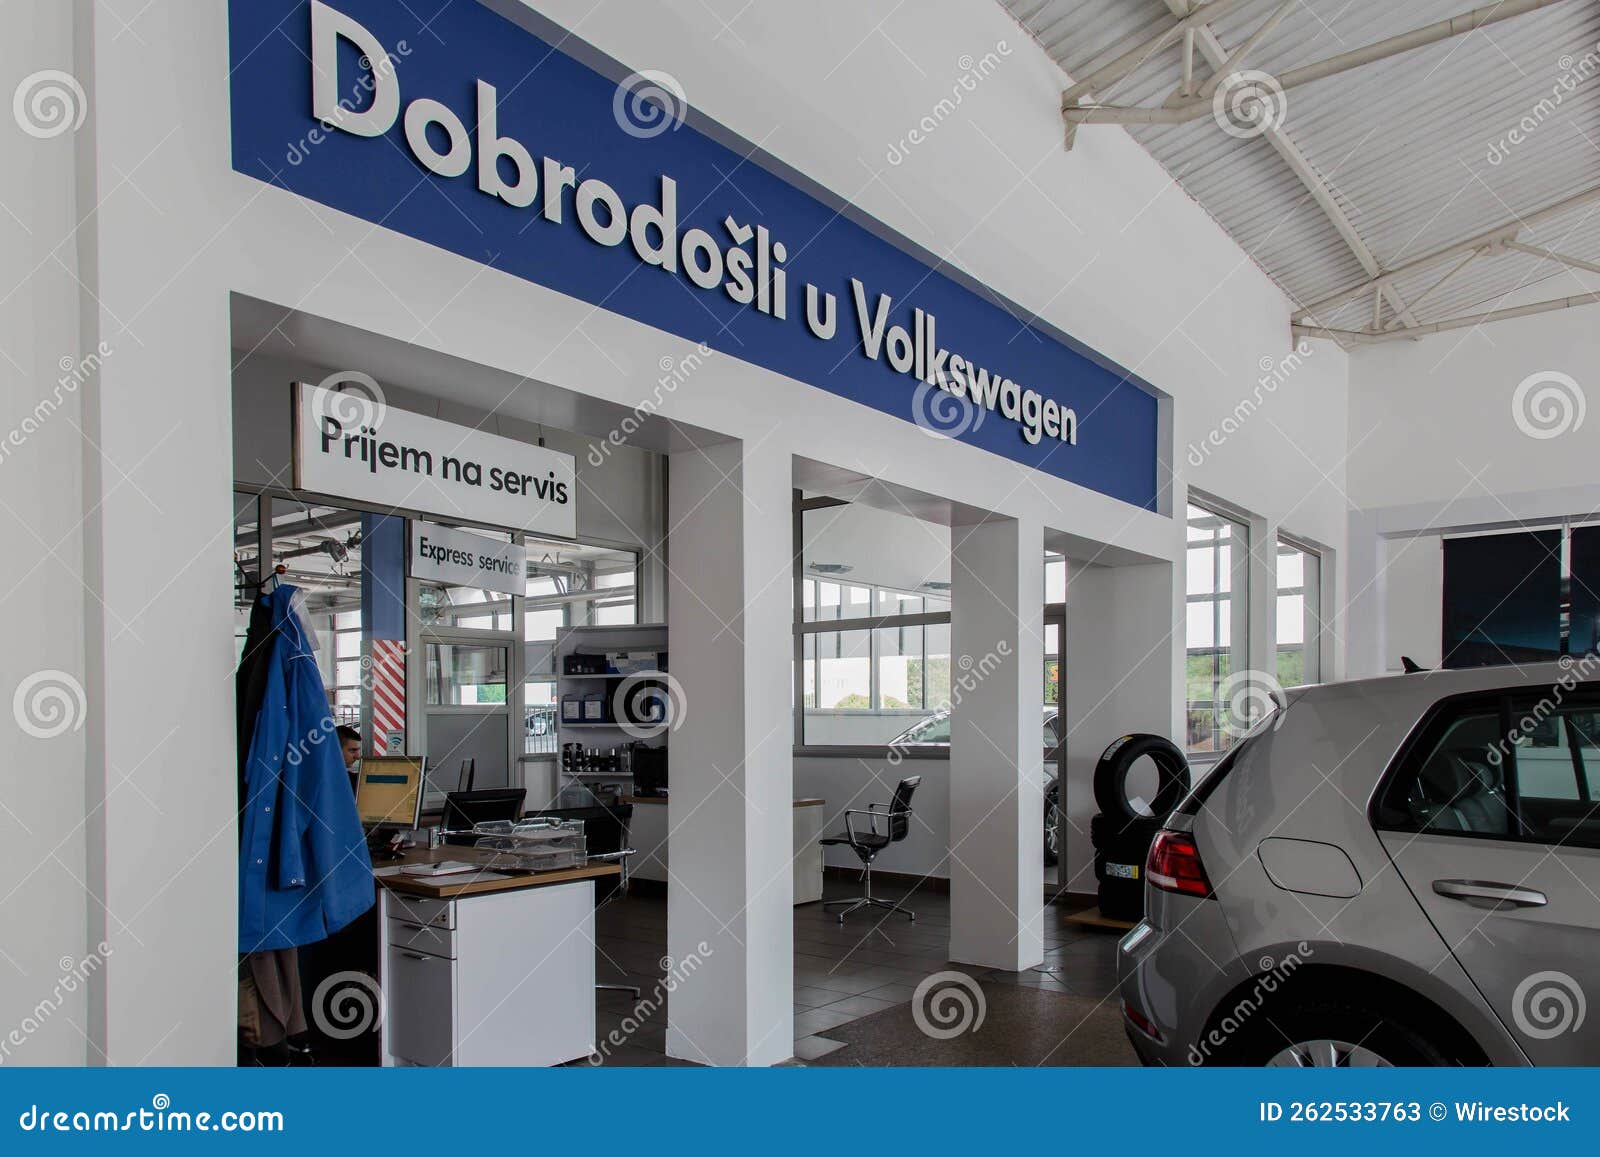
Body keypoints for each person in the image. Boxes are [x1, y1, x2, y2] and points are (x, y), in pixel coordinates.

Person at [337, 725, 361, 793]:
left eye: (358, 750)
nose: (358, 757)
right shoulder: (350, 783)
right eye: (353, 750)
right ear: (336, 749)